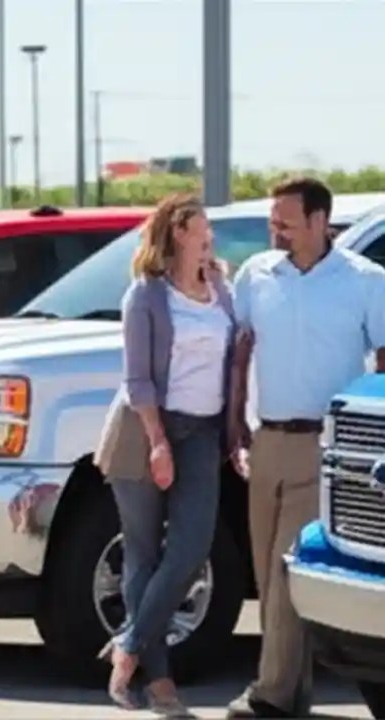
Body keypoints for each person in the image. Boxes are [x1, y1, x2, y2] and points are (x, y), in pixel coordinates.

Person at [227, 177, 385, 718]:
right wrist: (235, 427)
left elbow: (384, 362)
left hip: (324, 446)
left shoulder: (365, 282)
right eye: (274, 219)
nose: (277, 229)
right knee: (264, 567)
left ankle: (269, 693)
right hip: (266, 439)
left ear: (320, 221)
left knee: (286, 567)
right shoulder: (256, 276)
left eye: (286, 221)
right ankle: (291, 692)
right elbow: (241, 352)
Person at [94, 192, 236, 717]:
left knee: (192, 546)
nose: (210, 239)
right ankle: (160, 686)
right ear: (179, 231)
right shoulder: (146, 296)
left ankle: (127, 646)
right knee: (142, 553)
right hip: (143, 429)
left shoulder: (221, 289)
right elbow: (137, 380)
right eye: (203, 229)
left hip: (201, 432)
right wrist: (157, 442)